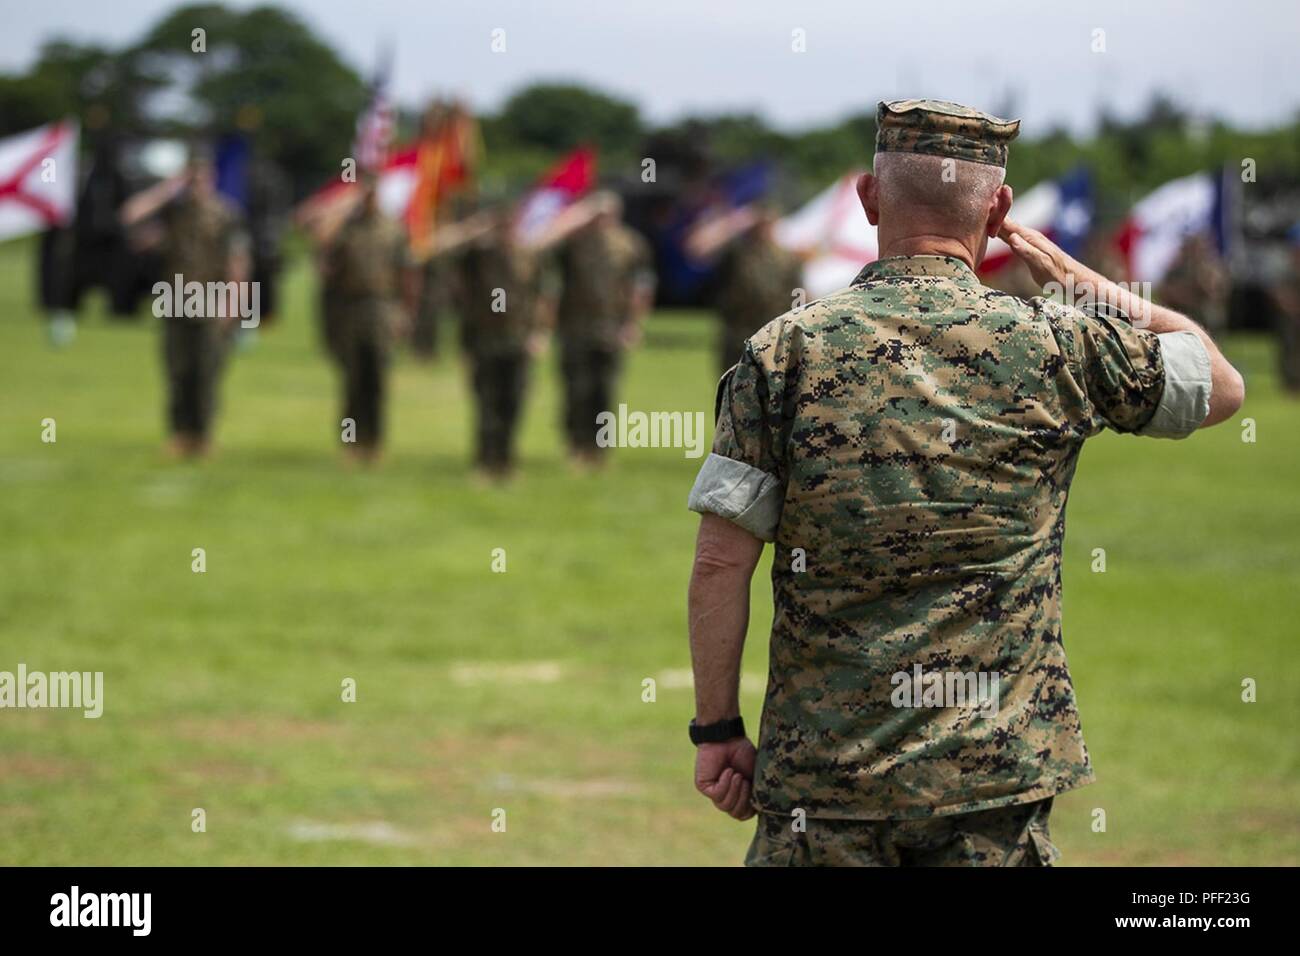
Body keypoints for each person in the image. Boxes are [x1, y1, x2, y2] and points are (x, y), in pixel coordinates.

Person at [684, 99, 1245, 867]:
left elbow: (721, 561)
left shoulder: (784, 353)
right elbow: (1219, 383)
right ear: (1001, 207)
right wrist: (1079, 282)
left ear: (869, 198)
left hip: (824, 782)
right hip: (993, 786)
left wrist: (717, 732)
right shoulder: (1057, 341)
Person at [121, 153, 248, 458]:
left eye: (201, 179)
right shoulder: (172, 212)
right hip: (174, 298)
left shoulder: (225, 214)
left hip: (211, 297)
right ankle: (179, 434)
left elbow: (237, 263)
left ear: (212, 179)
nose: (197, 186)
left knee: (207, 370)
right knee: (177, 369)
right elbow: (130, 215)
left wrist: (233, 305)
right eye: (191, 179)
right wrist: (168, 189)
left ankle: (203, 436)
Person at [552, 192, 654, 468]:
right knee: (576, 389)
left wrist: (633, 324)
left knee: (605, 389)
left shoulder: (630, 244)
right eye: (597, 214)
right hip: (575, 327)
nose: (602, 220)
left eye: (607, 214)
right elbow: (544, 244)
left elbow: (640, 288)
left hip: (611, 328)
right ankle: (575, 444)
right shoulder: (574, 242)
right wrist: (575, 217)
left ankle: (599, 449)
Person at [450, 207, 550, 480]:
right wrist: (473, 230)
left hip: (518, 341)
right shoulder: (478, 257)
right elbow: (444, 254)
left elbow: (541, 297)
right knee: (486, 402)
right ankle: (484, 462)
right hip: (484, 340)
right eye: (499, 227)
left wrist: (539, 334)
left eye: (509, 226)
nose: (505, 232)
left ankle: (506, 461)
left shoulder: (529, 257)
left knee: (514, 402)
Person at [322, 174, 412, 463]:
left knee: (377, 379)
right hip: (349, 308)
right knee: (352, 378)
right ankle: (351, 441)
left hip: (383, 308)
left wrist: (405, 314)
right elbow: (327, 271)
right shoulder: (345, 229)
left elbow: (407, 277)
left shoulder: (394, 230)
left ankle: (374, 442)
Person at [691, 204, 805, 375]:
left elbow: (799, 297)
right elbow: (698, 248)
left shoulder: (787, 259)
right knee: (733, 393)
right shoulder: (737, 253)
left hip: (774, 338)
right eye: (758, 224)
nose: (763, 229)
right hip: (738, 337)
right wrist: (735, 223)